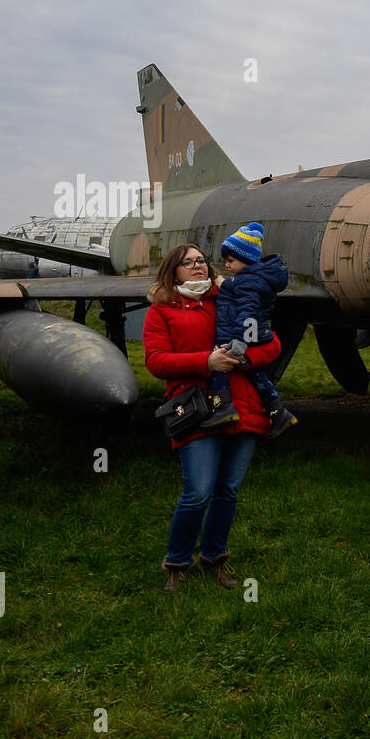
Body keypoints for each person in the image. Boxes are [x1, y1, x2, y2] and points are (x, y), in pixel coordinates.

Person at [143, 243, 283, 592]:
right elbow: (156, 361)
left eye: (201, 261)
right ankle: (177, 562)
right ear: (172, 270)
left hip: (244, 404)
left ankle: (213, 558)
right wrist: (206, 362)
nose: (196, 266)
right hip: (196, 407)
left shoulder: (231, 295)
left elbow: (272, 343)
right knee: (198, 491)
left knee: (228, 490)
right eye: (187, 263)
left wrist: (245, 360)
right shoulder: (162, 311)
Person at [201, 222, 297, 438]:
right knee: (254, 372)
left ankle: (222, 407)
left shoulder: (248, 283)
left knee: (219, 365)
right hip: (251, 335)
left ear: (246, 260)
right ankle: (278, 411)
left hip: (241, 336)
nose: (227, 265)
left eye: (231, 261)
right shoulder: (249, 280)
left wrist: (239, 341)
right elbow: (232, 289)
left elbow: (247, 312)